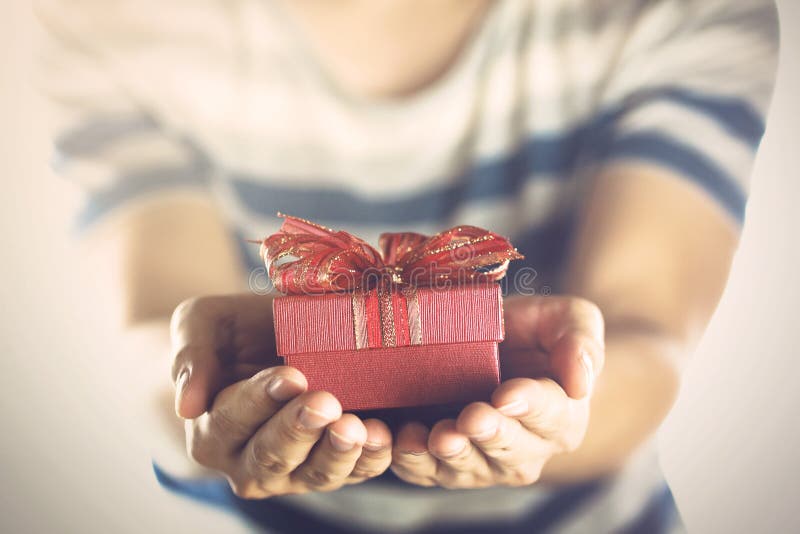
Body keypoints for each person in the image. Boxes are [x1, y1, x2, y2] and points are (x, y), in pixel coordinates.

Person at [35, 0, 779, 532]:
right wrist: (194, 400)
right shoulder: (110, 16)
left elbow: (644, 335)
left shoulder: (680, 11)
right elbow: (154, 324)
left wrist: (567, 412)